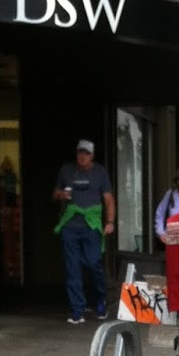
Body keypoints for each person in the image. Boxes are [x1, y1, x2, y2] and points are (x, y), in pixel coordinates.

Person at [52, 138, 115, 325]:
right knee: (72, 267)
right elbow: (55, 194)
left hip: (92, 225)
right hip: (70, 225)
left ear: (92, 156)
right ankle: (77, 310)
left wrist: (110, 221)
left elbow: (109, 199)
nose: (82, 156)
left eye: (86, 153)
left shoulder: (100, 173)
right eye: (80, 152)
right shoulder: (66, 170)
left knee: (94, 262)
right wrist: (62, 195)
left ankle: (100, 300)